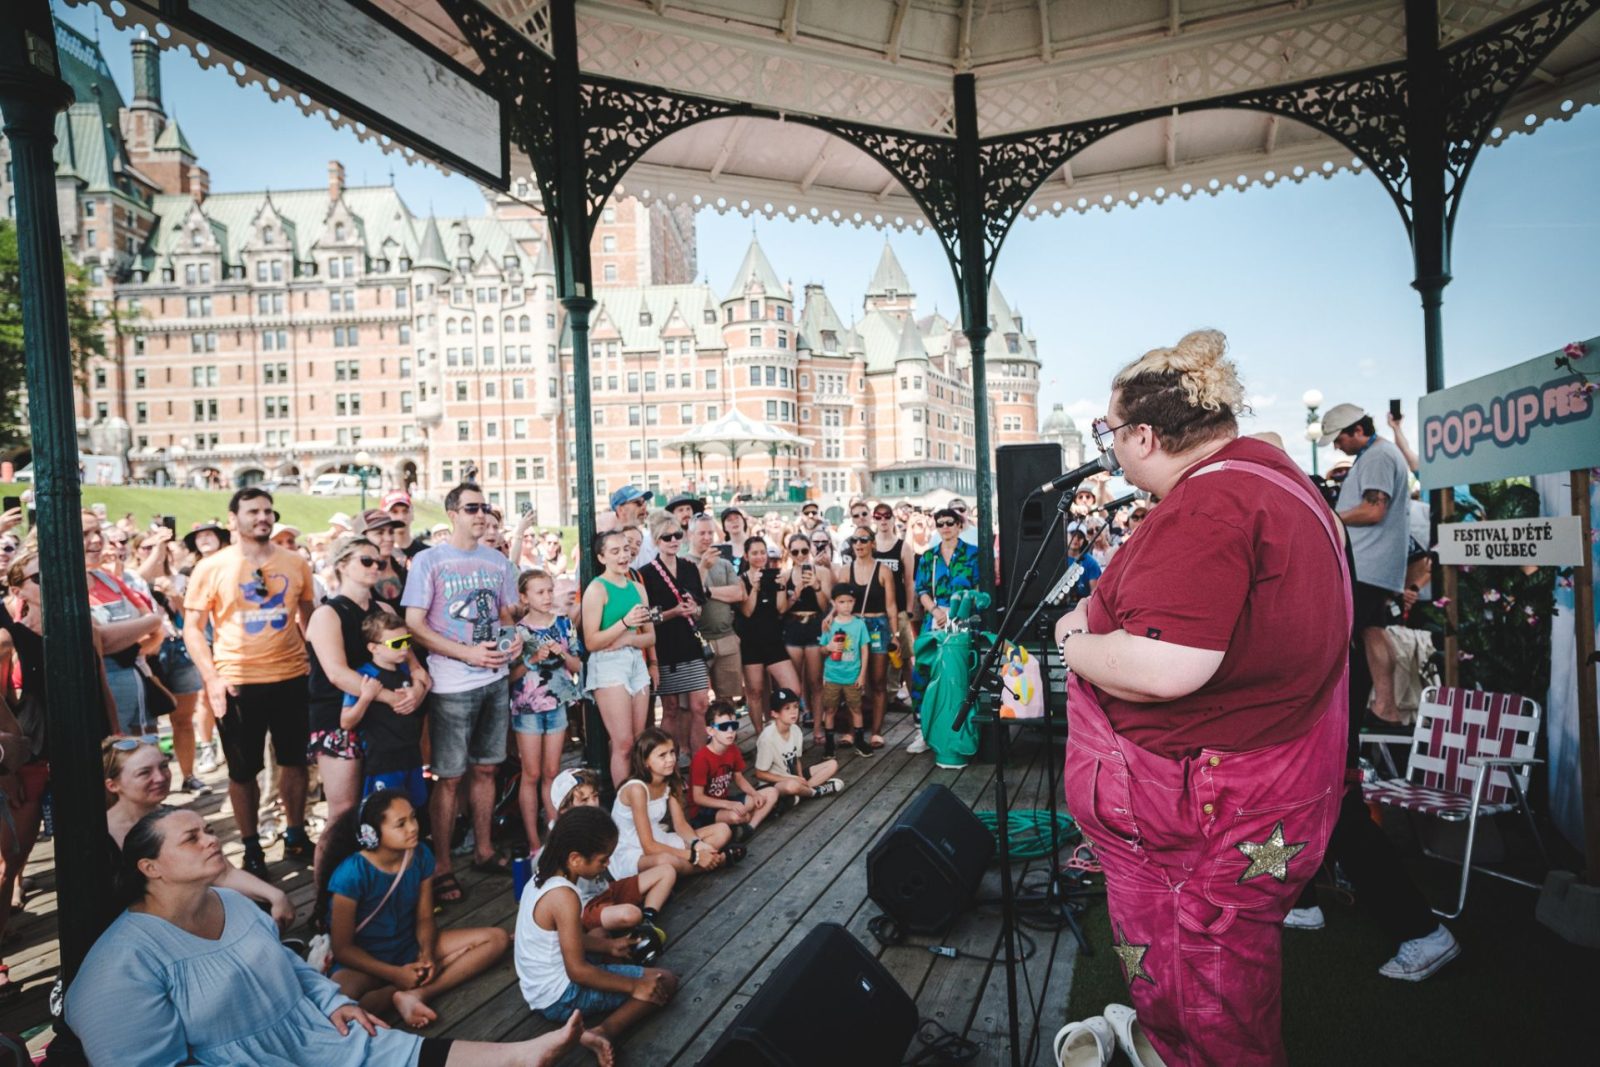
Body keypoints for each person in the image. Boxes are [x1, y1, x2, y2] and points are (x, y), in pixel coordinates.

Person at [1054, 330, 1348, 1067]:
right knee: (1211, 967)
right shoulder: (1265, 475)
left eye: (1111, 431)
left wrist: (1072, 645)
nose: (1109, 446)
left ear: (1146, 435)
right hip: (1264, 788)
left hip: (1218, 803)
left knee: (1216, 978)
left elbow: (1169, 667)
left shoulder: (1208, 505)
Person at [68, 806, 582, 1067]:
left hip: (307, 1035)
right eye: (193, 837)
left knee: (384, 1048)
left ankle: (518, 1055)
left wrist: (330, 1000)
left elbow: (287, 966)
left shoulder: (228, 903)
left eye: (207, 829)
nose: (212, 840)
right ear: (150, 868)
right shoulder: (123, 965)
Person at [183, 488, 316, 879]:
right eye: (253, 511)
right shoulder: (212, 566)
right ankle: (251, 844)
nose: (262, 517)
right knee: (243, 771)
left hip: (291, 676)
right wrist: (212, 677)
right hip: (238, 681)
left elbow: (309, 616)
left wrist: (316, 658)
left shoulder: (295, 562)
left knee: (294, 761)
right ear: (233, 519)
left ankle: (295, 831)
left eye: (267, 511)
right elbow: (193, 628)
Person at [402, 483, 523, 902]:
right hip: (452, 680)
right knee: (449, 776)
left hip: (493, 679)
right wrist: (466, 653)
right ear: (452, 512)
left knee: (489, 767)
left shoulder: (497, 561)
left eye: (485, 507)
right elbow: (414, 624)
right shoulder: (428, 560)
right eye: (472, 507)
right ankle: (442, 864)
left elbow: (506, 615)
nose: (480, 514)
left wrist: (514, 639)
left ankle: (485, 849)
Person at [308, 537, 431, 897]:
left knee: (388, 807)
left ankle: (381, 890)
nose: (377, 567)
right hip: (340, 717)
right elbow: (336, 672)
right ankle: (325, 898)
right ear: (342, 564)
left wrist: (418, 689)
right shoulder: (327, 613)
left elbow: (411, 658)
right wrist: (394, 697)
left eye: (380, 562)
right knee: (344, 812)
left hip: (386, 726)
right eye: (367, 561)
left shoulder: (380, 606)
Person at [325, 791, 510, 1029]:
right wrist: (394, 974)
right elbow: (343, 949)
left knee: (497, 939)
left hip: (408, 946)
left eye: (413, 818)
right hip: (365, 962)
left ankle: (416, 993)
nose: (413, 828)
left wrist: (427, 953)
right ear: (371, 835)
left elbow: (424, 917)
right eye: (400, 824)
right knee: (338, 1005)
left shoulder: (420, 853)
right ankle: (403, 986)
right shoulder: (351, 874)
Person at [515, 806, 678, 1064]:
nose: (607, 864)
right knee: (664, 980)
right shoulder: (565, 897)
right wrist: (636, 986)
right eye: (603, 859)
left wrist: (607, 947)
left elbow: (560, 939)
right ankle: (603, 1031)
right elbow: (577, 972)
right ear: (576, 859)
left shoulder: (540, 878)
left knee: (605, 938)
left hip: (537, 988)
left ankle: (615, 968)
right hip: (560, 996)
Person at [102, 735, 293, 926]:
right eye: (145, 773)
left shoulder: (177, 817)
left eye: (163, 766)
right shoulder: (101, 837)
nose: (160, 778)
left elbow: (224, 874)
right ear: (113, 785)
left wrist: (275, 895)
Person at [1320, 403, 1411, 724]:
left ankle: (1384, 705)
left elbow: (1374, 510)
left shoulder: (1378, 456)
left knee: (1366, 630)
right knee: (1372, 629)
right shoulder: (1376, 455)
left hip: (1368, 564)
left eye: (1339, 438)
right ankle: (1384, 705)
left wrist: (1329, 518)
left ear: (1358, 430)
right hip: (1374, 563)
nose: (1336, 446)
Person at [550, 769, 676, 950]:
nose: (593, 804)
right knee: (629, 915)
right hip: (584, 906)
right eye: (584, 800)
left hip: (606, 890)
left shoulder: (596, 824)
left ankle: (648, 920)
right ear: (564, 810)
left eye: (594, 796)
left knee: (667, 870)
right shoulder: (562, 840)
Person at [511, 570, 582, 858]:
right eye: (540, 592)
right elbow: (508, 676)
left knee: (552, 772)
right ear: (524, 597)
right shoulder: (517, 631)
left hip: (557, 703)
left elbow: (577, 665)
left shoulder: (564, 623)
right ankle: (533, 842)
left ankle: (555, 834)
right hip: (527, 707)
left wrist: (562, 653)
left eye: (550, 590)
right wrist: (533, 659)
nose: (547, 596)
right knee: (531, 773)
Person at [581, 530, 657, 791]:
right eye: (615, 551)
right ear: (602, 557)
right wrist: (624, 624)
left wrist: (627, 639)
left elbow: (650, 637)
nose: (624, 555)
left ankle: (639, 798)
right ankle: (624, 806)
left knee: (639, 741)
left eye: (626, 549)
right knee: (623, 743)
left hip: (635, 660)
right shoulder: (596, 589)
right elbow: (591, 641)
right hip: (608, 664)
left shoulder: (638, 588)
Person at [610, 728, 735, 879]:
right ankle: (717, 862)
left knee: (722, 830)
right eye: (662, 755)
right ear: (645, 762)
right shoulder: (636, 789)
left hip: (658, 838)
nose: (670, 759)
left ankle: (694, 866)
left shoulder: (669, 780)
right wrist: (694, 856)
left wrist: (698, 845)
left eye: (671, 752)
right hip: (632, 851)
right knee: (666, 860)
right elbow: (648, 847)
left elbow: (680, 825)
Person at [640, 512, 712, 761]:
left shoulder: (690, 568)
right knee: (670, 710)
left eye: (677, 535)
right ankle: (669, 762)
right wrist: (673, 612)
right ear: (656, 541)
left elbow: (700, 605)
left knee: (700, 706)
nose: (673, 540)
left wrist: (695, 609)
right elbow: (647, 617)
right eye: (666, 537)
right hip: (665, 648)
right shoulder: (646, 573)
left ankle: (701, 765)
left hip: (691, 644)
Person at [85, 510, 164, 735]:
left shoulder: (109, 581)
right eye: (85, 533)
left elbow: (157, 625)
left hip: (136, 680)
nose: (97, 540)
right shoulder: (62, 585)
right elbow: (99, 639)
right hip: (95, 694)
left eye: (99, 531)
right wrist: (133, 635)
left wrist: (133, 652)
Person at [344, 606, 431, 809]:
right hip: (383, 761)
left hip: (411, 754)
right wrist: (366, 697)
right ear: (374, 647)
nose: (404, 648)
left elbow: (426, 683)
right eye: (396, 643)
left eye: (407, 641)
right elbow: (346, 721)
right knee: (386, 811)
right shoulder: (364, 676)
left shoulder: (406, 670)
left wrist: (419, 689)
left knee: (416, 805)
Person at [909, 507, 980, 754]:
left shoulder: (973, 554)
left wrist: (959, 611)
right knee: (924, 670)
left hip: (963, 619)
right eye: (941, 523)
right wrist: (937, 612)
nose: (946, 527)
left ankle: (961, 730)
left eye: (950, 522)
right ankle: (922, 729)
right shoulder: (929, 557)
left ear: (959, 525)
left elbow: (980, 587)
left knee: (960, 674)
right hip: (936, 619)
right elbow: (921, 590)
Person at [839, 523, 897, 751]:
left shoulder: (883, 570)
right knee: (850, 678)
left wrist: (895, 635)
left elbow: (891, 606)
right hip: (853, 626)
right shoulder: (845, 570)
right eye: (855, 540)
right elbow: (839, 601)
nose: (859, 544)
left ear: (873, 543)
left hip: (877, 626)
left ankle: (876, 731)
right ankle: (852, 729)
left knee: (878, 681)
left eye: (864, 540)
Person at [735, 538, 801, 735]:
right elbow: (747, 611)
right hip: (750, 643)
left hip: (773, 641)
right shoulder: (741, 580)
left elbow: (781, 609)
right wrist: (754, 587)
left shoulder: (775, 576)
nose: (760, 557)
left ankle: (787, 734)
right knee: (754, 693)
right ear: (746, 556)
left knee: (793, 690)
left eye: (762, 552)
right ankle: (759, 736)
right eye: (754, 553)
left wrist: (782, 587)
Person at [688, 701, 777, 834]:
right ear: (710, 730)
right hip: (704, 810)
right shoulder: (701, 758)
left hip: (724, 802)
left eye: (733, 726)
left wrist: (755, 794)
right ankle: (750, 818)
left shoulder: (732, 749)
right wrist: (729, 805)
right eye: (724, 727)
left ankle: (750, 827)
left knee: (771, 793)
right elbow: (698, 798)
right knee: (735, 816)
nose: (730, 731)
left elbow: (739, 778)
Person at [686, 514, 745, 707]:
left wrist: (707, 591)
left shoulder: (724, 563)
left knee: (727, 699)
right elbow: (690, 600)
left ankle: (726, 734)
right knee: (698, 702)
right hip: (697, 641)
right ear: (690, 534)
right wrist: (702, 570)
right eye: (701, 533)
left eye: (710, 532)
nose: (707, 537)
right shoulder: (682, 564)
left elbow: (737, 593)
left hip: (726, 636)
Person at [780, 534, 832, 743]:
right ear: (789, 554)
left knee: (816, 681)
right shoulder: (785, 576)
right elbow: (781, 609)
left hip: (814, 626)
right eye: (795, 552)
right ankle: (794, 727)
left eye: (804, 550)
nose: (800, 555)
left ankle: (818, 727)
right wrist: (797, 590)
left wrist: (817, 586)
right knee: (794, 685)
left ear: (810, 549)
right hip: (792, 627)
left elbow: (825, 605)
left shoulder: (822, 573)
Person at [752, 689, 842, 802]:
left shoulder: (796, 730)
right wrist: (791, 778)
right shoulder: (767, 738)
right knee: (791, 786)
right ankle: (815, 792)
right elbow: (760, 774)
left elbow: (796, 759)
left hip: (793, 776)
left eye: (795, 706)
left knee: (832, 764)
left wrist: (800, 777)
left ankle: (802, 792)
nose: (793, 712)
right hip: (774, 783)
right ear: (774, 713)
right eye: (787, 708)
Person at [817, 585, 871, 758]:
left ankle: (860, 741)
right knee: (830, 710)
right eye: (842, 602)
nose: (846, 605)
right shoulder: (828, 624)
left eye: (850, 602)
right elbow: (821, 649)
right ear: (834, 603)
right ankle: (830, 744)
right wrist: (829, 647)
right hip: (832, 675)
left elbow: (864, 650)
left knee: (856, 708)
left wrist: (862, 675)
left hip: (853, 675)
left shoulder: (859, 624)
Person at [360, 508, 410, 612]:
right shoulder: (357, 579)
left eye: (391, 532)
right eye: (380, 533)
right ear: (362, 538)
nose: (389, 538)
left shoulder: (406, 570)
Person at [600, 486, 656, 568]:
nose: (644, 507)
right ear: (620, 510)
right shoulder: (604, 541)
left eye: (644, 502)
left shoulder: (647, 538)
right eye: (638, 503)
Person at [385, 492, 429, 562]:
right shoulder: (380, 556)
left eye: (405, 511)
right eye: (394, 512)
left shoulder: (427, 553)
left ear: (412, 514)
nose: (401, 517)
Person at [1063, 527, 1102, 601]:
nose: (1076, 539)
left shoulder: (1091, 563)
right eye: (1073, 535)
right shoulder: (1058, 559)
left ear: (1084, 540)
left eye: (1080, 537)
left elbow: (1094, 593)